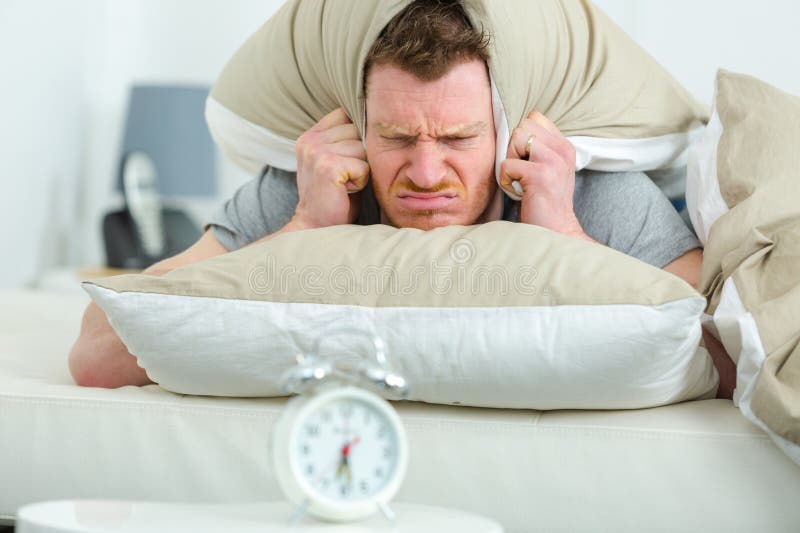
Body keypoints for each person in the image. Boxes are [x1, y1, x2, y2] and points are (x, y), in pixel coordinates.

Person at [70, 0, 729, 393]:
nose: (424, 169)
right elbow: (97, 352)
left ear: (506, 130)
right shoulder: (310, 187)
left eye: (457, 137)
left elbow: (730, 359)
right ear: (360, 127)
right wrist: (301, 229)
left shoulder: (589, 188)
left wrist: (567, 240)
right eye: (395, 135)